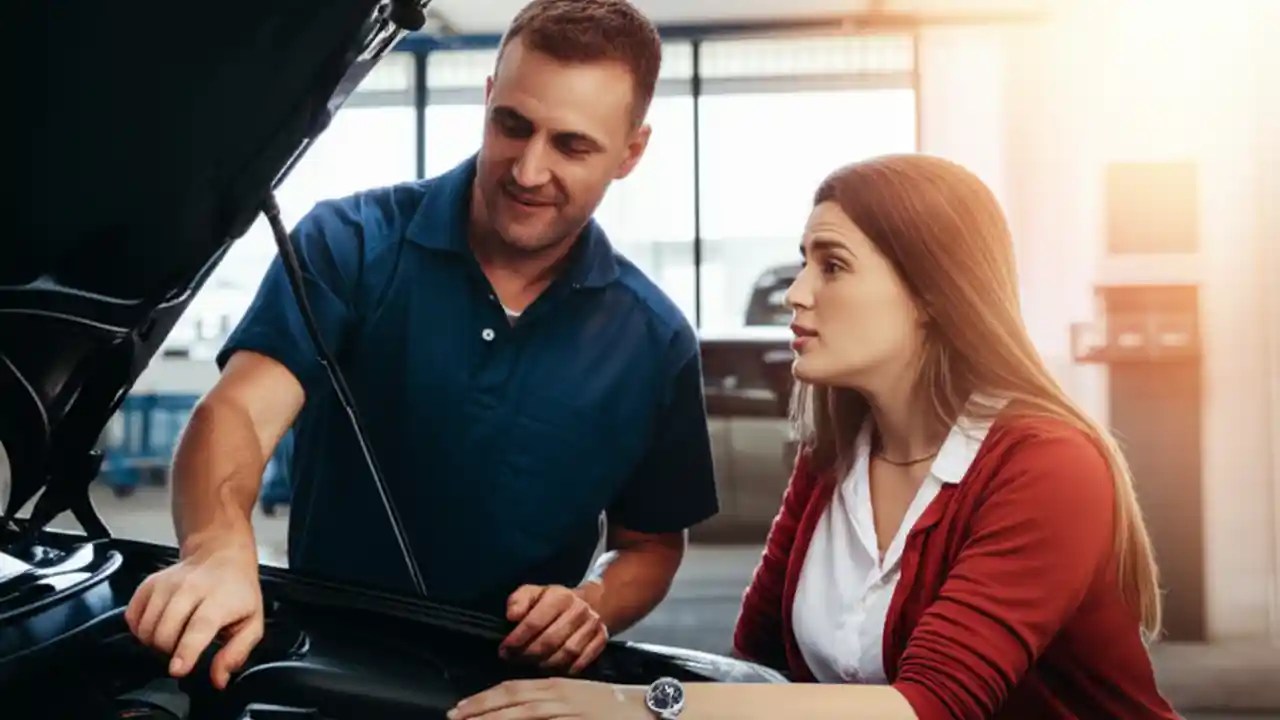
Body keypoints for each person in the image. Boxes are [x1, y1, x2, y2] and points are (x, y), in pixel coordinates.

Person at [447, 155, 1183, 719]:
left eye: (832, 265)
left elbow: (923, 706)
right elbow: (764, 666)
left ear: (932, 295)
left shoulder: (1048, 466)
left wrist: (635, 706)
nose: (798, 292)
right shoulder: (831, 460)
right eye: (804, 262)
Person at [124, 0, 719, 691]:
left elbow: (647, 545)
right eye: (512, 125)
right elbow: (237, 414)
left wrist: (591, 605)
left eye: (572, 145)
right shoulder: (347, 243)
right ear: (489, 99)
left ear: (630, 152)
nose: (528, 170)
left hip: (516, 693)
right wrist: (215, 546)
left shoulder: (657, 339)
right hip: (322, 671)